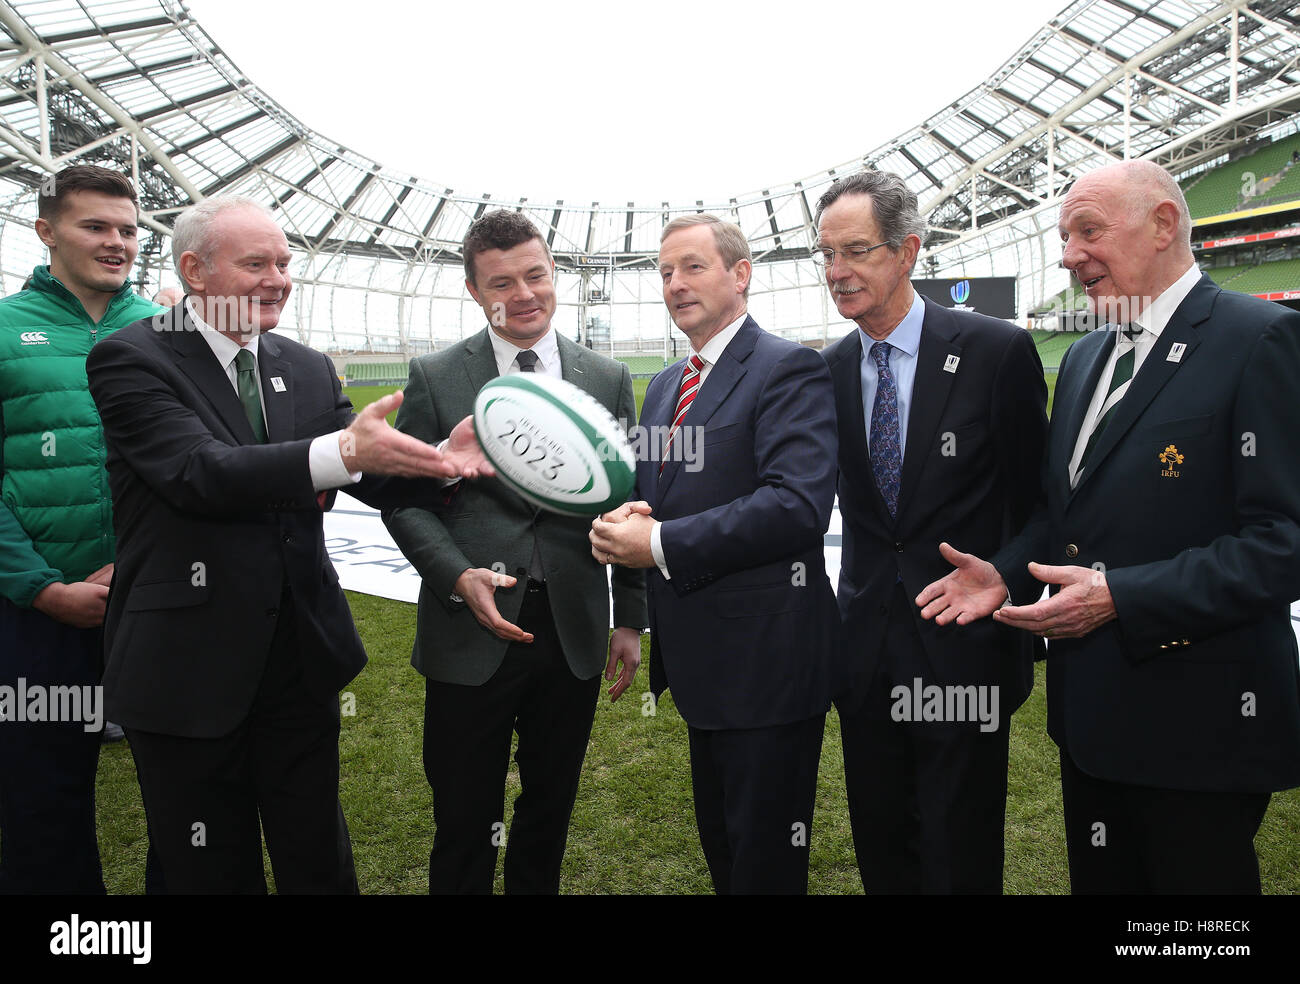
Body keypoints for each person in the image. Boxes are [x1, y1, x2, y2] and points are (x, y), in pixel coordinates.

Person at [85, 195, 491, 894]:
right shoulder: (130, 356)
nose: (279, 278)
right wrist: (344, 450)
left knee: (316, 855)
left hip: (299, 661)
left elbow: (365, 470)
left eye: (283, 262)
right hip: (184, 667)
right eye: (257, 263)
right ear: (195, 270)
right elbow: (199, 472)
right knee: (204, 865)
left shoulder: (304, 365)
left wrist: (436, 465)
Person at [917, 159, 1300, 893]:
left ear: (1162, 224)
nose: (1067, 255)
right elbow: (1068, 517)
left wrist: (1120, 596)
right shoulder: (1089, 355)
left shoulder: (1263, 340)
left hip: (1201, 726)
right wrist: (1005, 569)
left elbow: (1284, 542)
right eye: (1063, 236)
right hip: (1091, 722)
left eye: (1087, 230)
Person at [381, 210, 645, 895]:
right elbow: (405, 500)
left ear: (553, 272)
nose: (525, 294)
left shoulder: (608, 378)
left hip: (573, 630)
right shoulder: (436, 376)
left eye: (537, 275)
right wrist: (453, 574)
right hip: (469, 626)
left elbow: (631, 505)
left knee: (549, 811)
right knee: (464, 819)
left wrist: (629, 618)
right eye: (503, 282)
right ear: (474, 290)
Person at [590, 214, 840, 894]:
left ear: (740, 274)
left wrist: (659, 542)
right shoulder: (667, 384)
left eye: (693, 266)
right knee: (726, 852)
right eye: (665, 272)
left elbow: (796, 507)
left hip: (769, 666)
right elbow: (654, 500)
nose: (675, 283)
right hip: (701, 665)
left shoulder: (790, 367)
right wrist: (625, 520)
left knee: (764, 862)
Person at [816, 171, 1048, 894]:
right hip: (863, 657)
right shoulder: (826, 369)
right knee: (883, 848)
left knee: (960, 853)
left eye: (857, 251)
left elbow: (1045, 503)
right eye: (826, 255)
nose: (837, 272)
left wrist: (1005, 573)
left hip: (965, 650)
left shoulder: (996, 352)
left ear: (909, 250)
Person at [0, 164, 160, 894]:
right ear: (46, 231)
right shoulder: (4, 330)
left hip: (157, 603)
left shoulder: (166, 329)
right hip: (38, 613)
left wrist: (138, 566)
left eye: (128, 230)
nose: (116, 242)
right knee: (42, 803)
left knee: (184, 796)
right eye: (95, 226)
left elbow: (195, 466)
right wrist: (39, 587)